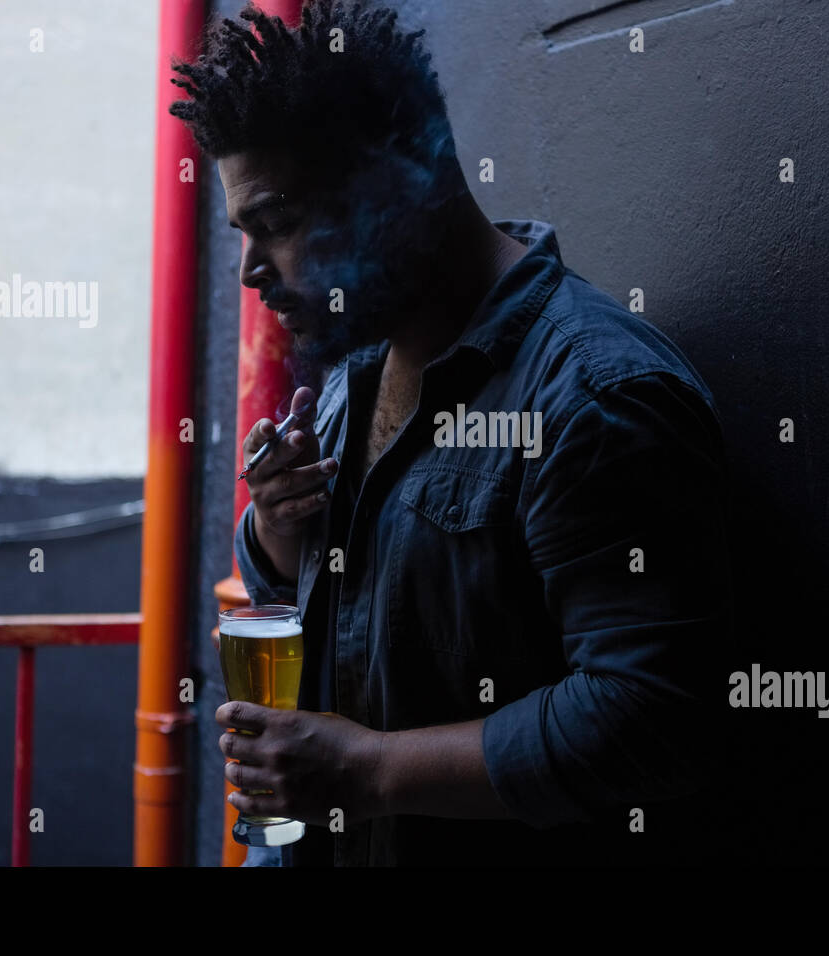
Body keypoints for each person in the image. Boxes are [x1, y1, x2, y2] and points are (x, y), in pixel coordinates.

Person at [170, 0, 734, 866]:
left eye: (277, 224)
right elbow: (350, 611)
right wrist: (278, 537)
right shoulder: (355, 371)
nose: (251, 271)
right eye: (244, 233)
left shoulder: (594, 396)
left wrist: (371, 771)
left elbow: (656, 716)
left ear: (398, 186)